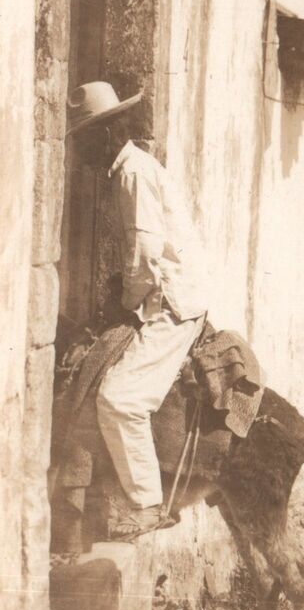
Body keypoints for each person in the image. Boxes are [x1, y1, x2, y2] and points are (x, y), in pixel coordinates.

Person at [66, 82, 209, 540]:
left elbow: (145, 251)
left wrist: (126, 303)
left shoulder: (131, 173)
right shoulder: (131, 169)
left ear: (106, 134)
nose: (83, 149)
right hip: (163, 294)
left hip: (171, 303)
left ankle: (148, 503)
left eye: (87, 137)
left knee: (119, 400)